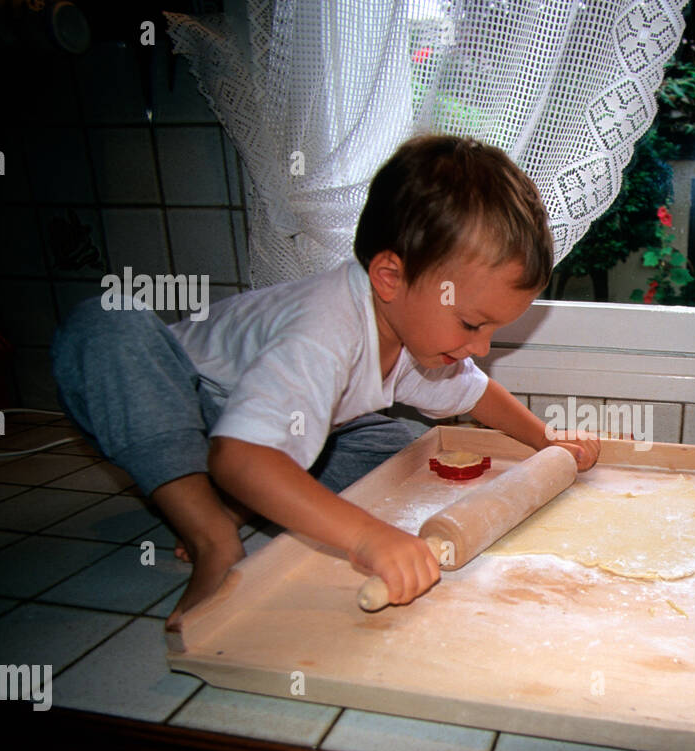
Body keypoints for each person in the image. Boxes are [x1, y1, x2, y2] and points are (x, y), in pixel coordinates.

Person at [51, 134, 598, 627]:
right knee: (107, 322)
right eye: (472, 324)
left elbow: (477, 393)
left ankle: (242, 501)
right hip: (188, 411)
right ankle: (211, 533)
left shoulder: (414, 333)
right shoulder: (324, 328)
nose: (478, 347)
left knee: (405, 453)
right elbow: (237, 455)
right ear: (390, 277)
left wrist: (548, 443)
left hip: (275, 439)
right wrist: (366, 537)